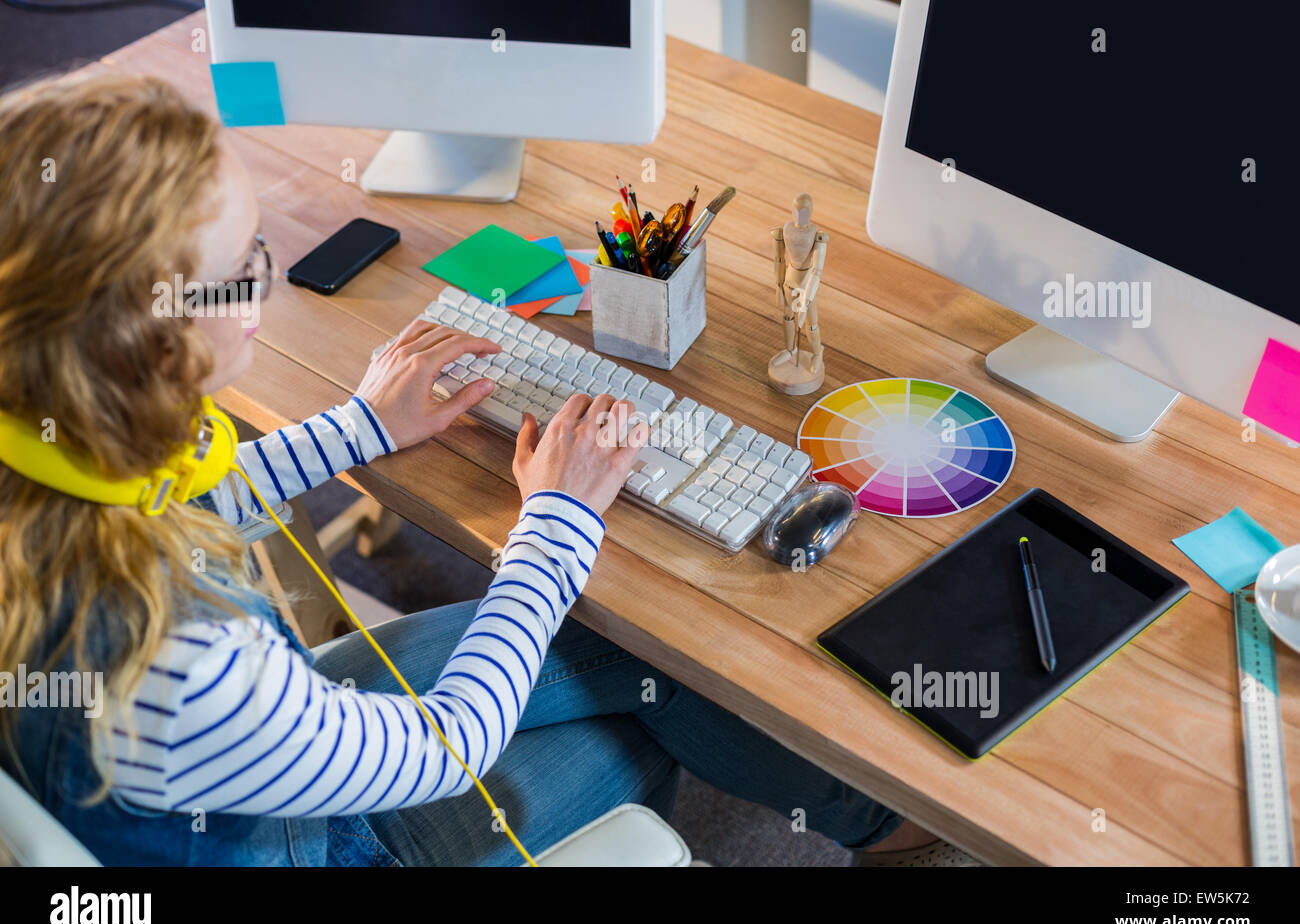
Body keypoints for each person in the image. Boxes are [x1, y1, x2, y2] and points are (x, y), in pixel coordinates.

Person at [0, 71, 967, 866]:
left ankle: (854, 814)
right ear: (144, 338)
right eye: (241, 262)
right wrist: (552, 520)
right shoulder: (182, 670)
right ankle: (884, 830)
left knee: (630, 656)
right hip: (334, 837)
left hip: (257, 757)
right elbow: (442, 750)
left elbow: (184, 502)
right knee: (669, 669)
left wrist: (364, 426)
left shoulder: (47, 442)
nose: (263, 269)